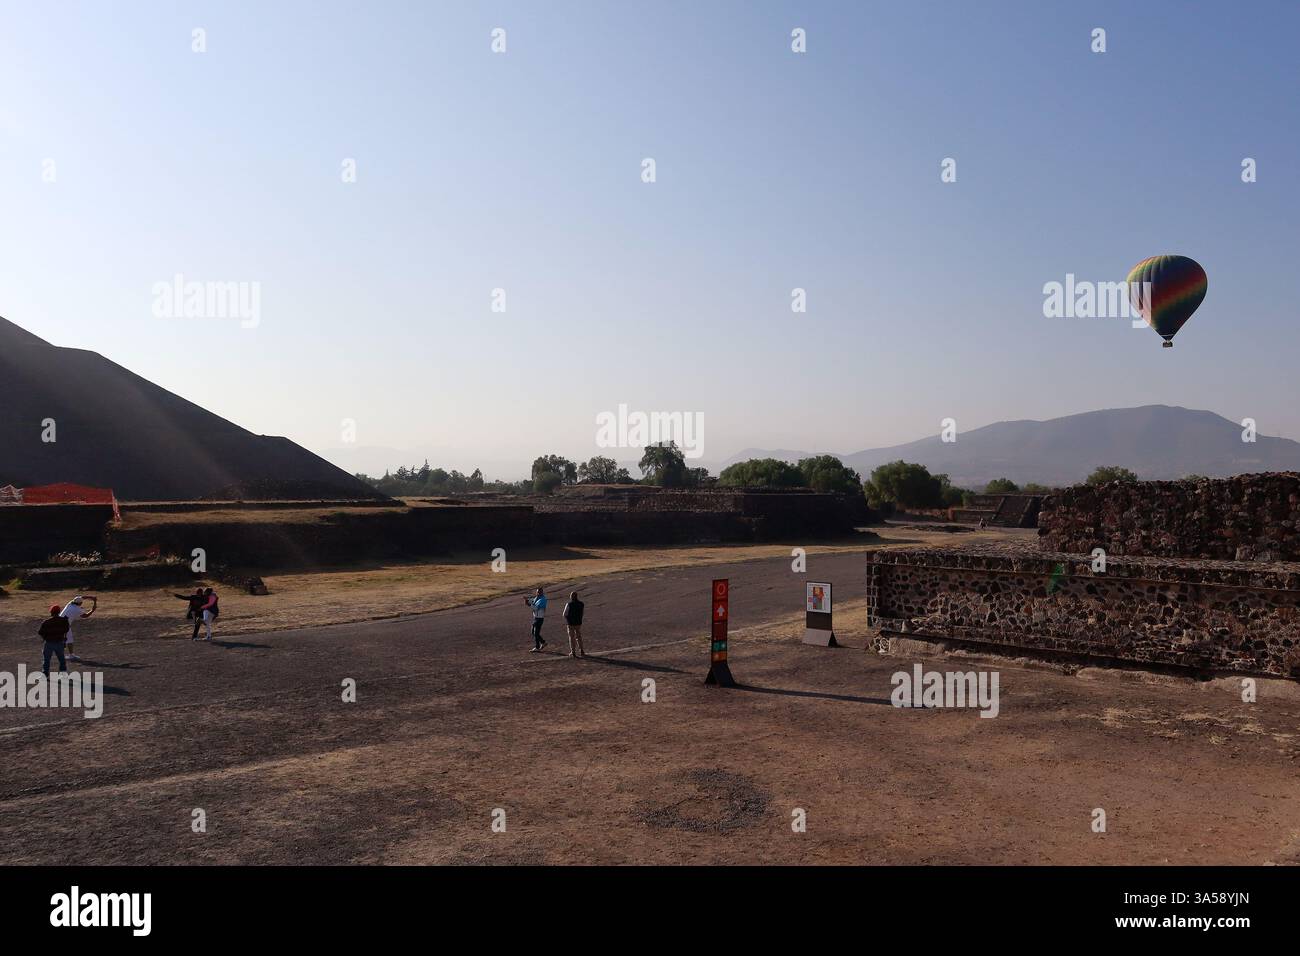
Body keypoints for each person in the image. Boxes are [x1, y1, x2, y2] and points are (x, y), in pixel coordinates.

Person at [60, 595, 96, 662]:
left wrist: (91, 597)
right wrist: (92, 610)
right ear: (80, 603)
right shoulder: (77, 609)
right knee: (69, 639)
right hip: (64, 625)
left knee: (63, 639)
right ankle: (70, 655)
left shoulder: (70, 603)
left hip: (57, 622)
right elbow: (85, 616)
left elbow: (82, 597)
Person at [38, 605, 70, 677]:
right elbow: (66, 630)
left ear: (51, 612)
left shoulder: (46, 622)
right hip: (59, 642)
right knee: (61, 659)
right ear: (59, 612)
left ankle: (45, 674)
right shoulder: (63, 621)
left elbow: (40, 632)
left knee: (46, 660)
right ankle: (63, 673)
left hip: (49, 643)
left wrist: (45, 637)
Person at [562, 591, 585, 658]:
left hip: (570, 623)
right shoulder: (581, 604)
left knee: (572, 638)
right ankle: (581, 650)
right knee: (579, 637)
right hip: (578, 623)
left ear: (571, 597)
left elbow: (564, 614)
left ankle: (573, 651)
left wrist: (568, 619)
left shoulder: (569, 604)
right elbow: (582, 613)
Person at [525, 587, 547, 652]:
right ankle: (543, 642)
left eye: (539, 592)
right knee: (534, 632)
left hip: (539, 618)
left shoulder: (543, 599)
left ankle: (537, 647)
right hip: (536, 618)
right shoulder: (538, 598)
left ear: (542, 592)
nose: (538, 593)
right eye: (537, 592)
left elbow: (536, 608)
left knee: (535, 633)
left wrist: (529, 604)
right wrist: (527, 600)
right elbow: (533, 601)